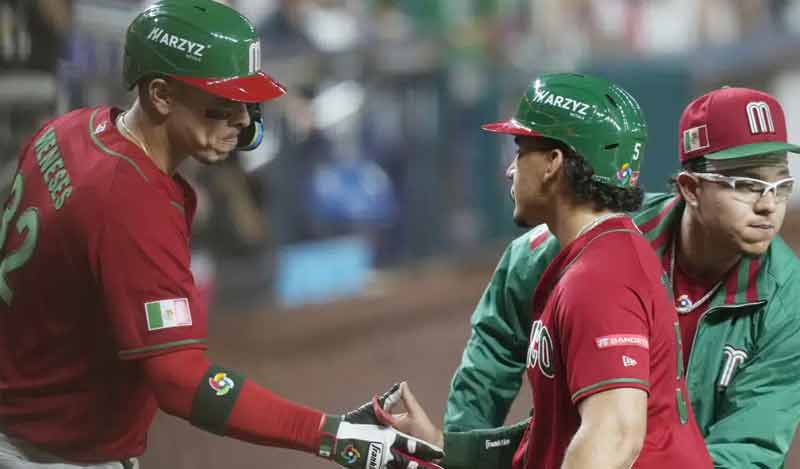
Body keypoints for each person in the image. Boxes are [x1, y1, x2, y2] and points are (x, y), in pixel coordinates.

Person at [0, 2, 443, 468]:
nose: (242, 122)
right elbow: (181, 381)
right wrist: (333, 435)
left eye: (246, 102)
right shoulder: (133, 202)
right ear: (161, 94)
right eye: (220, 104)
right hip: (47, 452)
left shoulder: (72, 129)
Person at [442, 85, 800, 468]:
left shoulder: (786, 299)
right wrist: (460, 455)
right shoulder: (589, 243)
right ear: (690, 188)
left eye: (780, 187)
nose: (768, 205)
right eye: (745, 185)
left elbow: (750, 448)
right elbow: (496, 344)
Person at [385, 73, 714, 468]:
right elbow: (555, 436)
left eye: (520, 150)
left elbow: (614, 436)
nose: (510, 170)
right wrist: (444, 448)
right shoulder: (599, 256)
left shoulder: (601, 277)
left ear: (552, 164)